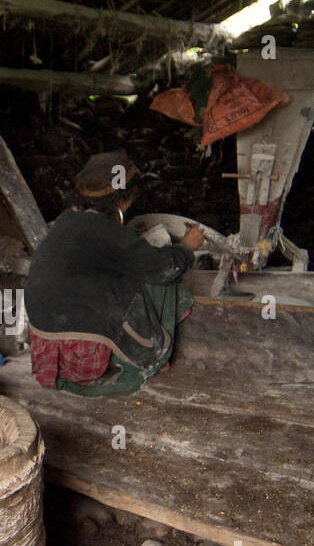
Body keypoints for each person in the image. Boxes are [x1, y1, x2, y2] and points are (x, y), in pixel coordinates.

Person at [24, 151, 205, 396]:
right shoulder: (105, 230)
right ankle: (153, 358)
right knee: (165, 275)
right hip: (81, 352)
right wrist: (186, 247)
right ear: (124, 198)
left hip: (46, 349)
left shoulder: (66, 221)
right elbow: (163, 269)